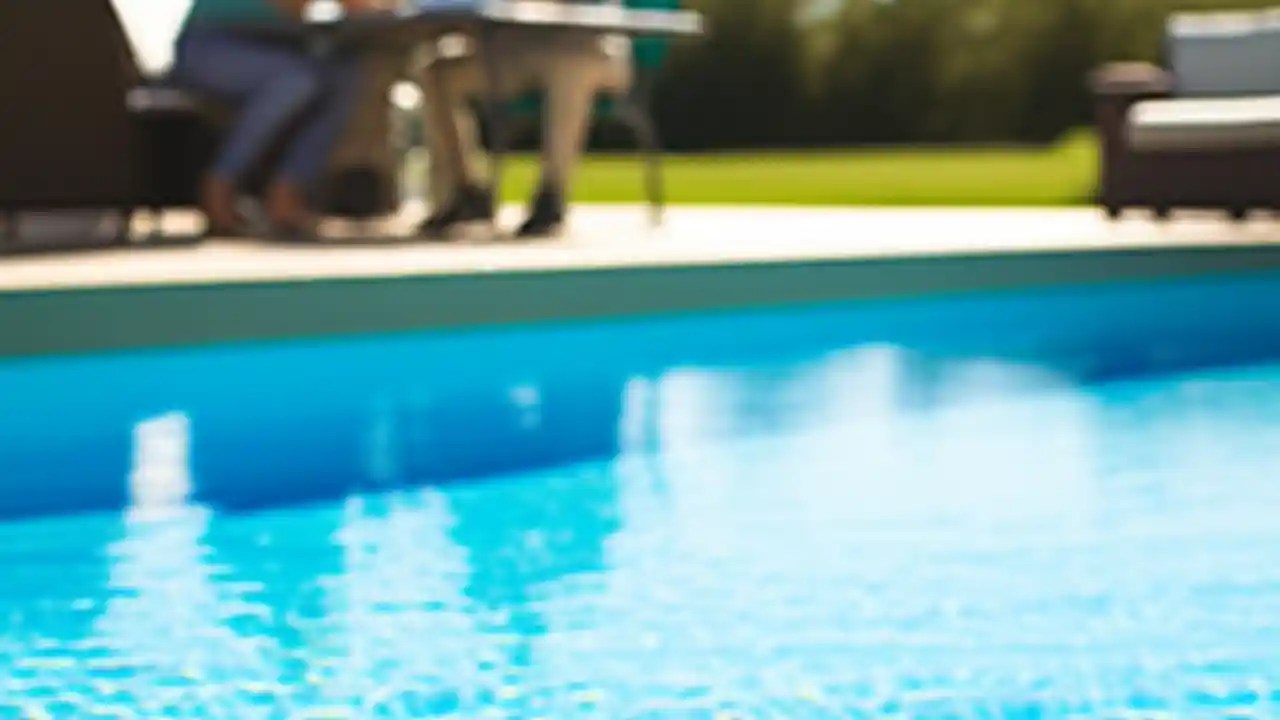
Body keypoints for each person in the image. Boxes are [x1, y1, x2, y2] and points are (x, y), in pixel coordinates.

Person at [416, 1, 632, 238]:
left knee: (570, 68)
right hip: (520, 48)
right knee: (440, 72)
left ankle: (551, 195)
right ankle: (467, 191)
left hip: (590, 45)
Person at [172, 0, 376, 237]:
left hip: (274, 43)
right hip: (209, 47)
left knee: (344, 75)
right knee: (294, 82)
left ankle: (287, 194)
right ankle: (220, 187)